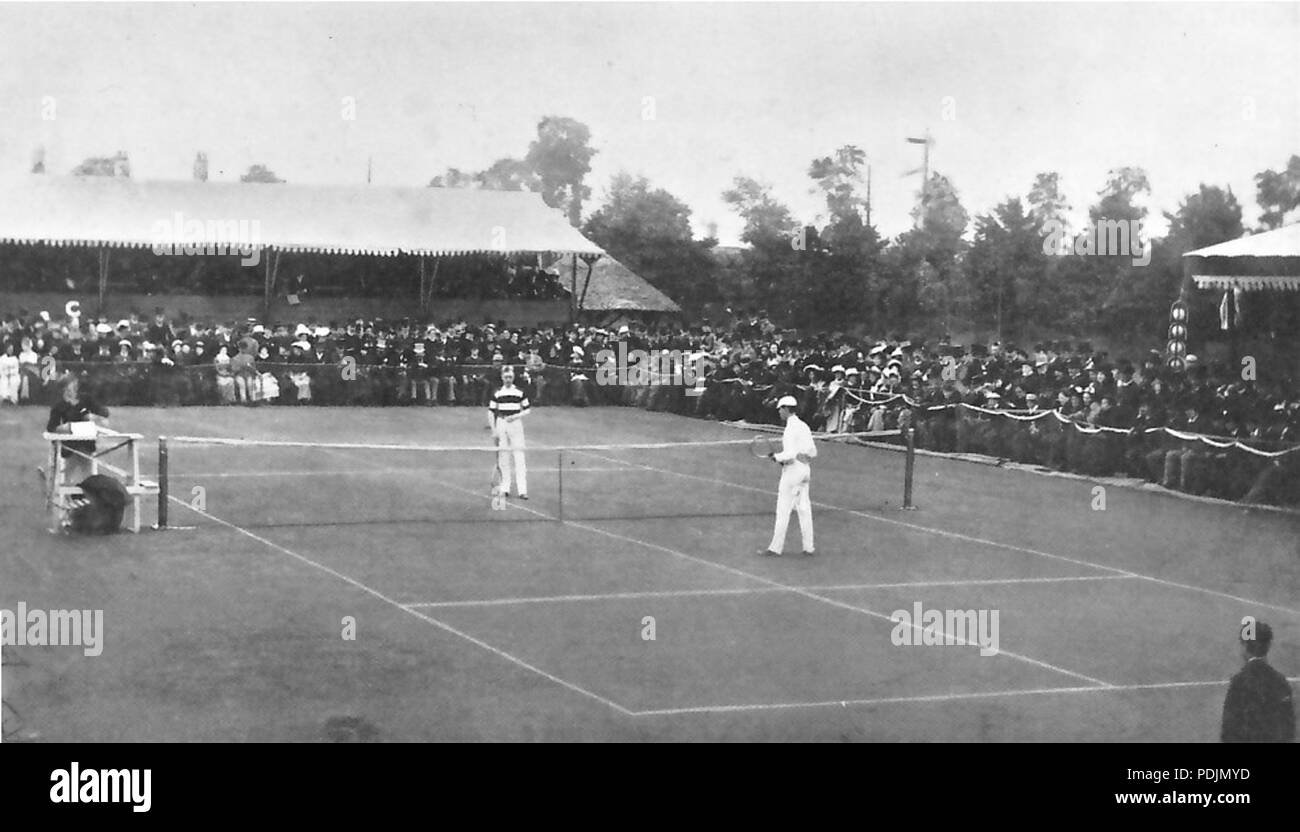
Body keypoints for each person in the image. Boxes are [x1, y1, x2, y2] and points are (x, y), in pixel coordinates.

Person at [758, 395, 817, 557]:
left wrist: (777, 457)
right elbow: (812, 451)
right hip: (805, 470)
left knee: (783, 510)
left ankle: (775, 548)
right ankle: (809, 547)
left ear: (785, 409)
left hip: (793, 472)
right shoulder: (804, 426)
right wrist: (802, 458)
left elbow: (790, 453)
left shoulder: (790, 428)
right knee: (805, 509)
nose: (779, 412)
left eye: (780, 409)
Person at [1221, 620, 1295, 742]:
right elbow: (1288, 729)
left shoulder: (1239, 682)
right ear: (1268, 646)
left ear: (1244, 646)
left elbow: (1229, 730)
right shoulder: (1281, 682)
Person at [43, 374, 111, 495]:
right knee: (66, 479)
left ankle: (90, 503)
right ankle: (64, 499)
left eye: (74, 387)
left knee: (90, 478)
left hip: (87, 444)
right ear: (63, 389)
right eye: (69, 388)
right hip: (69, 447)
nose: (72, 391)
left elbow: (104, 412)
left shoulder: (86, 400)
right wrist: (67, 428)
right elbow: (51, 428)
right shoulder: (59, 406)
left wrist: (94, 417)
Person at [488, 364, 530, 500]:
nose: (508, 379)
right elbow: (491, 411)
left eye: (510, 377)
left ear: (513, 377)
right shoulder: (497, 393)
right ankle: (505, 487)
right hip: (501, 423)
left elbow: (527, 409)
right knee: (503, 457)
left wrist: (515, 416)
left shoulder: (519, 392)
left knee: (519, 456)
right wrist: (494, 430)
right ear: (502, 377)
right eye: (506, 377)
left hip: (516, 424)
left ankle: (522, 490)